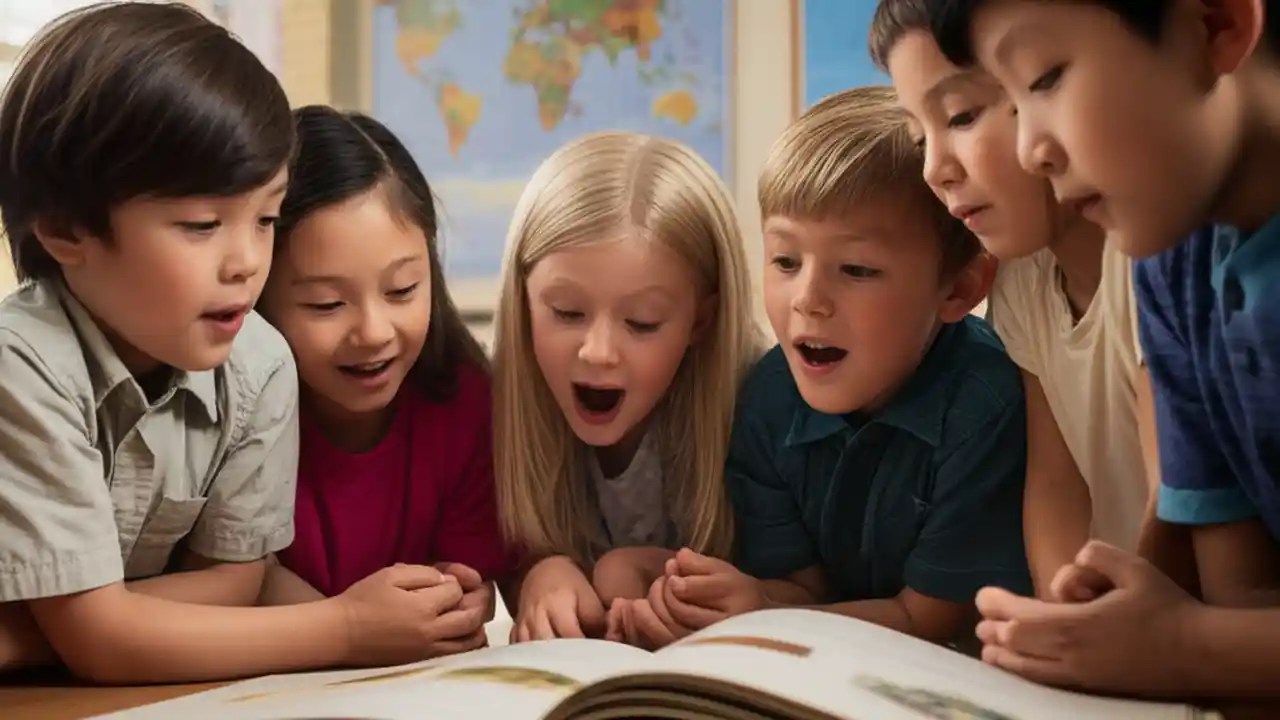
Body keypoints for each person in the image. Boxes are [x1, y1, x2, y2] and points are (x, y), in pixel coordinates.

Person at [0, 2, 478, 682]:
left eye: (266, 218)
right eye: (201, 225)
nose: (248, 262)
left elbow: (232, 585)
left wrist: (36, 629)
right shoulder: (24, 365)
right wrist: (344, 626)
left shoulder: (257, 361)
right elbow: (104, 642)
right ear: (65, 229)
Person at [930, 0, 1280, 699]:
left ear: (1216, 24)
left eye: (1046, 77)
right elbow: (1244, 595)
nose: (1032, 148)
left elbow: (1212, 635)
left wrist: (1182, 644)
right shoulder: (1172, 266)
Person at [613, 86, 1031, 650]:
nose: (808, 299)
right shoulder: (766, 400)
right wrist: (740, 598)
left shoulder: (985, 407)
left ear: (958, 289)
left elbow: (929, 621)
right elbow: (802, 588)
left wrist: (765, 614)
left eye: (856, 269)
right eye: (785, 260)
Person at [869, 0, 1167, 597]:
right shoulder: (1021, 278)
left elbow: (1174, 495)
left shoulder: (1146, 258)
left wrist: (1120, 630)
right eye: (917, 134)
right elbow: (1056, 484)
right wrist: (1062, 599)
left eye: (960, 116)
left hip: (1173, 609)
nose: (934, 169)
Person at [254, 106, 516, 657]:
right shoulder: (235, 412)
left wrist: (461, 595)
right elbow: (240, 581)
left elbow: (467, 575)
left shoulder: (467, 402)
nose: (373, 333)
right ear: (258, 295)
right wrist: (346, 629)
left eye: (402, 290)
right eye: (326, 304)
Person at [491, 131, 759, 643]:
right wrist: (537, 573)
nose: (598, 351)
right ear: (522, 300)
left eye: (642, 321)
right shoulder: (495, 406)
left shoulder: (761, 407)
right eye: (566, 312)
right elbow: (513, 551)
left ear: (701, 321)